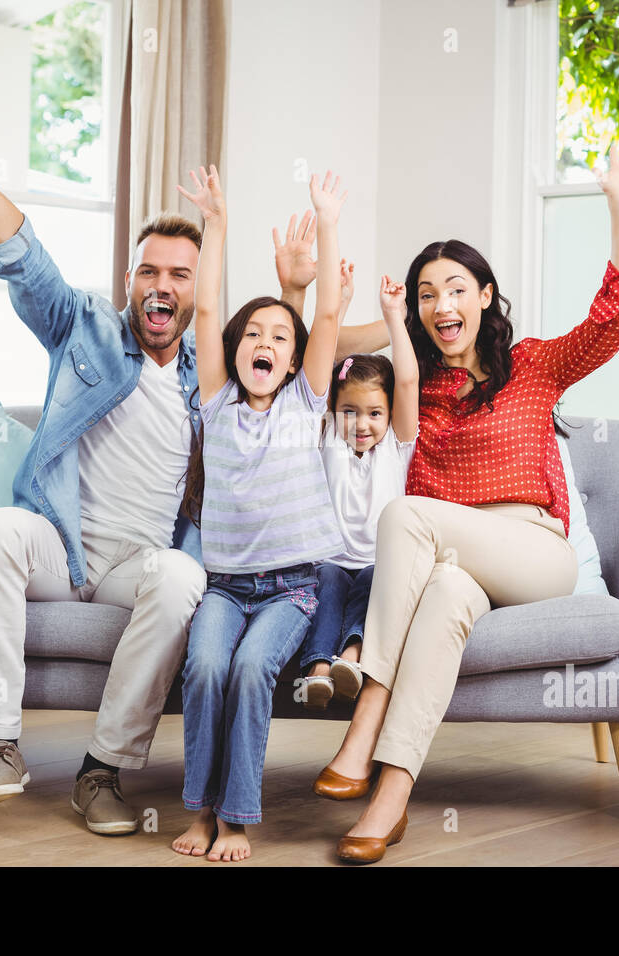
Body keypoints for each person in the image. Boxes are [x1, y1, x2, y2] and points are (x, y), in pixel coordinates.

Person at [0, 96, 385, 835]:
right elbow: (19, 253)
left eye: (179, 273)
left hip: (140, 558)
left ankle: (101, 770)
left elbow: (300, 350)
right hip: (60, 544)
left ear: (201, 296)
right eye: (147, 271)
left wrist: (400, 313)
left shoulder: (216, 373)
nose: (160, 285)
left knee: (184, 576)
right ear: (131, 280)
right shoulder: (85, 328)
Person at [315, 144, 619, 863]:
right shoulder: (416, 386)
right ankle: (392, 795)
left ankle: (365, 717)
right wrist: (386, 312)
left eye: (457, 288)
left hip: (533, 552)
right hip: (457, 561)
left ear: (487, 295)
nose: (444, 305)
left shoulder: (533, 365)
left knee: (404, 515)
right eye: (428, 293)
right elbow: (322, 351)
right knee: (441, 597)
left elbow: (616, 318)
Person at [169, 165, 346, 861]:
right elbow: (207, 311)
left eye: (279, 336)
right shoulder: (216, 407)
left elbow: (326, 314)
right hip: (225, 586)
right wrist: (217, 220)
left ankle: (237, 818)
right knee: (207, 666)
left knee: (250, 671)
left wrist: (327, 222)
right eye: (253, 335)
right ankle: (202, 811)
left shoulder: (306, 405)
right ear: (233, 353)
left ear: (296, 357)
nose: (264, 343)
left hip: (293, 590)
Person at [297, 273, 419, 712]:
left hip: (375, 563)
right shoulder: (329, 435)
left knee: (372, 587)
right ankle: (317, 672)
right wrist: (340, 304)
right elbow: (318, 356)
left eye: (374, 413)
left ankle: (351, 658)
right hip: (329, 560)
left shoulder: (395, 446)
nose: (361, 424)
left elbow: (406, 383)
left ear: (389, 415)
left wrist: (394, 317)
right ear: (333, 410)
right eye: (350, 411)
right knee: (326, 588)